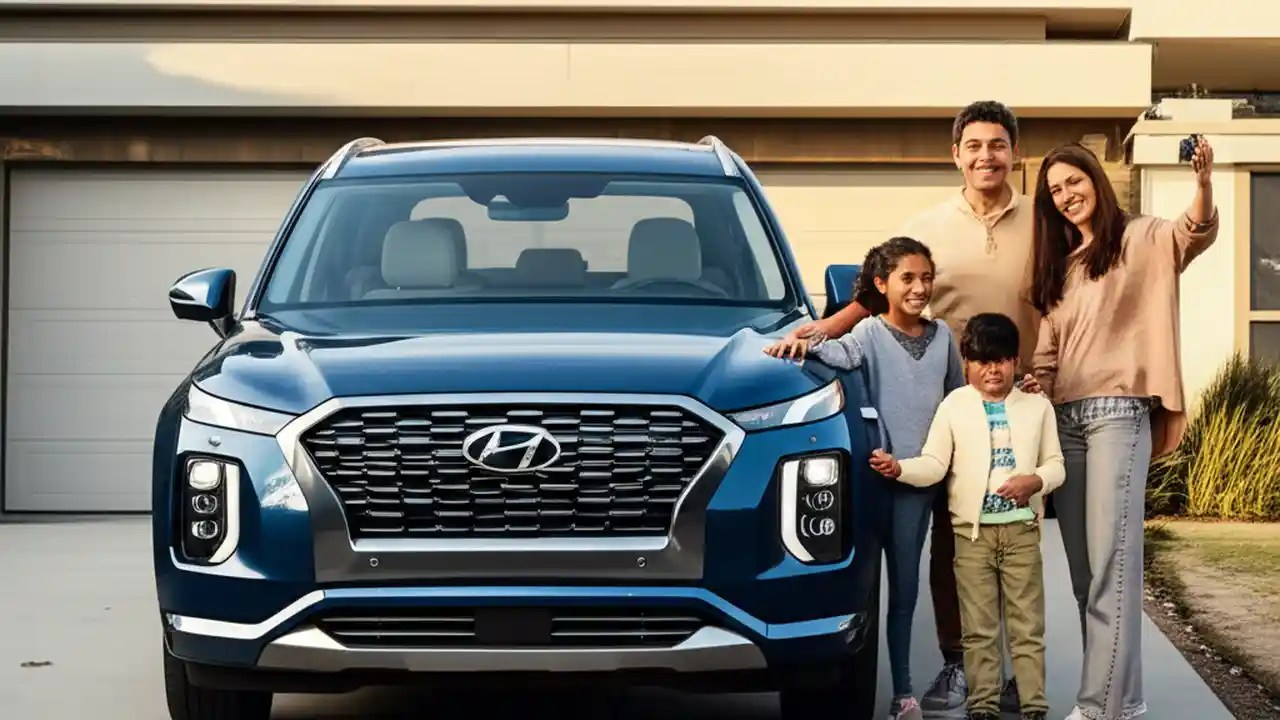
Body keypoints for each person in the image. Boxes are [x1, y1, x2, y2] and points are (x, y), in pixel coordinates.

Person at [780, 100, 1039, 716]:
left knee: (995, 553)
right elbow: (870, 302)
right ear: (956, 154)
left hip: (1008, 411)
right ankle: (954, 665)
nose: (986, 156)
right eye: (973, 145)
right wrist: (816, 331)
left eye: (997, 144)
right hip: (919, 447)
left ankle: (1002, 671)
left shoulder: (1041, 222)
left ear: (1013, 152)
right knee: (941, 564)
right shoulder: (928, 229)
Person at [1023, 137, 1218, 720]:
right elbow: (1047, 356)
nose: (1065, 196)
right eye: (1055, 191)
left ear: (1095, 181)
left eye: (1073, 182)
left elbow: (1194, 231)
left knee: (1114, 563)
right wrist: (1035, 385)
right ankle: (1123, 702)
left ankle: (1097, 706)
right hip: (1068, 423)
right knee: (1086, 576)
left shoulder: (1142, 237)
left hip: (1117, 417)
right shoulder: (1060, 269)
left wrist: (1204, 182)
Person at [765, 236, 965, 720]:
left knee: (906, 591)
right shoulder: (869, 335)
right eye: (907, 279)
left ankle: (903, 695)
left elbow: (960, 402)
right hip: (878, 481)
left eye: (926, 278)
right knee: (867, 588)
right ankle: (895, 690)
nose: (919, 288)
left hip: (923, 483)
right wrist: (800, 343)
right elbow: (831, 354)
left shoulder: (943, 339)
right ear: (882, 284)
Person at [869, 313, 1065, 720]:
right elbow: (936, 463)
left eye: (1001, 360)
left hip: (1021, 534)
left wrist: (1035, 480)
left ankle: (1033, 707)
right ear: (966, 364)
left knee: (1027, 627)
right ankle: (983, 706)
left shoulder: (1036, 407)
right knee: (978, 629)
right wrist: (900, 468)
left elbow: (1057, 465)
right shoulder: (955, 405)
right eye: (981, 361)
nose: (992, 370)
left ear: (1016, 361)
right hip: (972, 538)